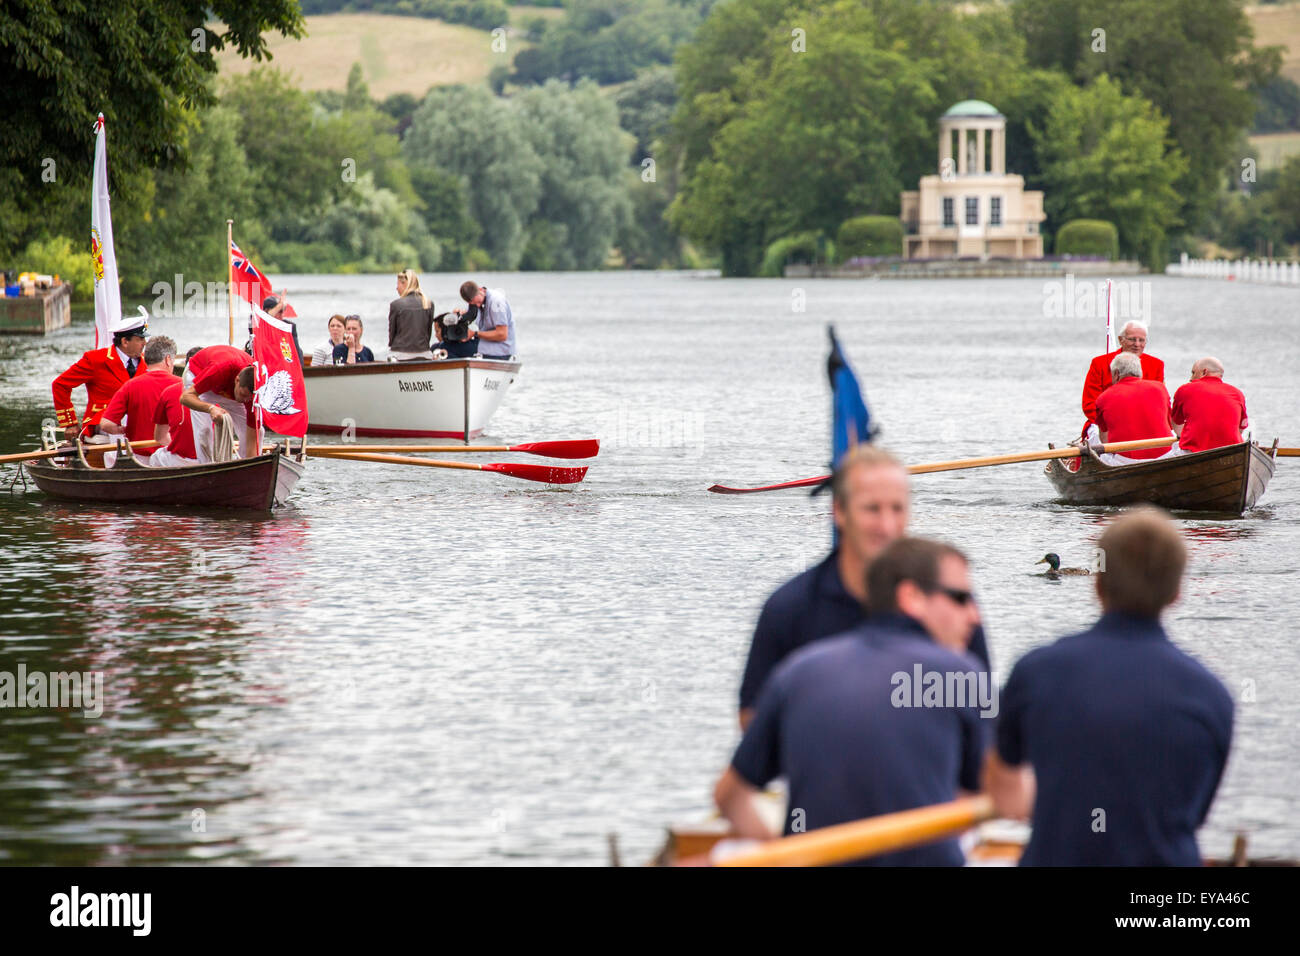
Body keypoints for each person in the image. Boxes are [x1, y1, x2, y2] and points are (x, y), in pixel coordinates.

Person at [713, 537, 988, 864]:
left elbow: (729, 798)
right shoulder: (961, 673)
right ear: (911, 597)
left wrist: (779, 849)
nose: (974, 616)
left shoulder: (797, 671)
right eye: (960, 598)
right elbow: (1000, 795)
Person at [986, 507, 1234, 866]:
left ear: (1098, 584)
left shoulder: (1035, 671)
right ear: (1176, 591)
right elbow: (1195, 812)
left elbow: (1006, 793)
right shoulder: (1213, 696)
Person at [737, 445, 990, 729]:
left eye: (897, 509)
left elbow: (987, 733)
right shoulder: (789, 608)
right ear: (839, 512)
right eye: (872, 509)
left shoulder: (953, 602)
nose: (887, 526)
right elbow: (751, 726)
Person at [51, 311, 150, 440]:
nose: (145, 343)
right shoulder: (95, 360)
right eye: (140, 339)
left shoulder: (148, 362)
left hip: (138, 420)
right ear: (125, 341)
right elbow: (60, 384)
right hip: (103, 421)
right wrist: (70, 424)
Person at [1080, 320, 1165, 439]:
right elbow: (1089, 405)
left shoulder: (1156, 365)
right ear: (1120, 340)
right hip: (1105, 424)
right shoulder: (1100, 363)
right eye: (1132, 339)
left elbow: (1160, 402)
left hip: (1144, 424)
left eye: (1141, 340)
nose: (1137, 344)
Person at [180, 344, 259, 462]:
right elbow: (185, 398)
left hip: (227, 387)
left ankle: (246, 465)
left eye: (248, 398)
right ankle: (207, 468)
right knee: (204, 430)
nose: (245, 401)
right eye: (243, 395)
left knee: (259, 431)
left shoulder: (253, 392)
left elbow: (252, 436)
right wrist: (210, 408)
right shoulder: (219, 370)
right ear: (237, 380)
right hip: (200, 377)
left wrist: (253, 469)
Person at [1093, 352, 1175, 464]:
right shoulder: (1160, 388)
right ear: (1139, 371)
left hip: (1126, 459)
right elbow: (1170, 423)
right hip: (1165, 454)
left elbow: (1104, 439)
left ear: (1116, 373)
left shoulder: (1103, 397)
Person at [1171, 357, 1250, 454]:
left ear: (1204, 372)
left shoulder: (1184, 389)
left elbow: (1177, 423)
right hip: (1232, 452)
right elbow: (1241, 428)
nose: (1191, 378)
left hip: (1193, 452)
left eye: (1193, 373)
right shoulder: (1237, 393)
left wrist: (1183, 436)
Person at [144, 347, 204, 468]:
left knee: (155, 458)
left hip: (180, 460)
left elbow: (160, 437)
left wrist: (178, 446)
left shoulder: (169, 392)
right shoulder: (221, 393)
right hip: (214, 459)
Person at [456, 281, 515, 359]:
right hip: (484, 346)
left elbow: (502, 334)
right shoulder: (477, 300)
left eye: (478, 302)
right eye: (473, 304)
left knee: (451, 350)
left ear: (481, 290)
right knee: (445, 347)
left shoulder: (496, 302)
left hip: (500, 351)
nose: (477, 305)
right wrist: (459, 316)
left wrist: (475, 334)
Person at [388, 269, 436, 361]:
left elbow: (392, 335)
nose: (396, 288)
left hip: (400, 354)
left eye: (397, 284)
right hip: (424, 352)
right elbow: (428, 332)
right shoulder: (428, 303)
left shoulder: (396, 305)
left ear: (405, 284)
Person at [260, 294, 305, 366]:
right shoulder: (259, 326)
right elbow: (263, 322)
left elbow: (296, 353)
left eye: (282, 311)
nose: (282, 315)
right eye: (279, 311)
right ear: (266, 311)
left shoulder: (289, 326)